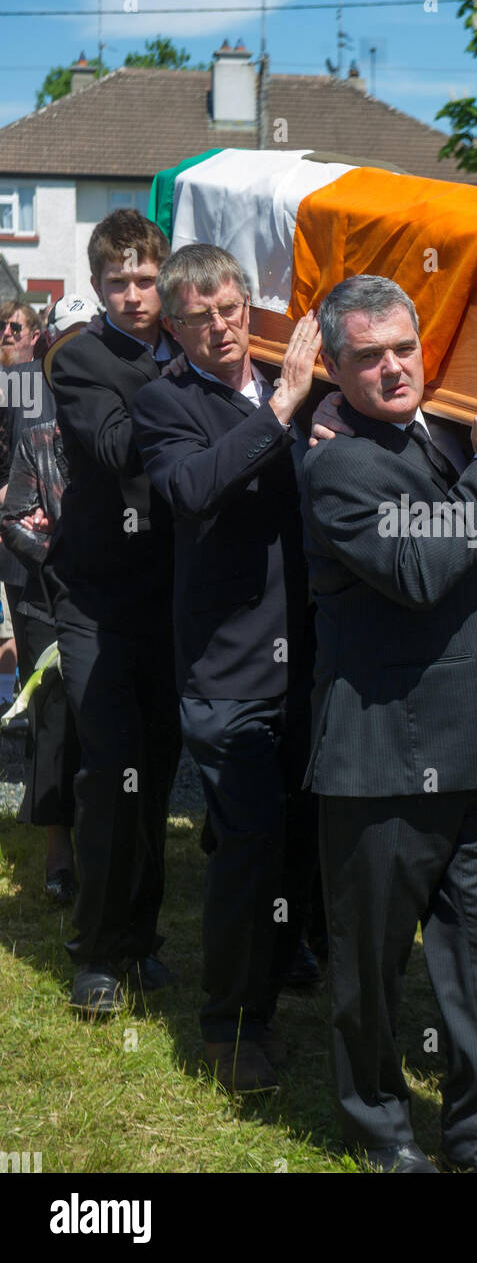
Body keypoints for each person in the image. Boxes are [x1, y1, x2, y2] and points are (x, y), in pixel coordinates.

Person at [302, 273, 477, 1173]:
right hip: (381, 757)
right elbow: (416, 564)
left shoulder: (446, 431)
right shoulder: (336, 463)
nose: (394, 367)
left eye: (404, 347)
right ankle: (380, 1132)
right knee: (369, 969)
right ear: (336, 367)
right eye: (367, 357)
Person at [131, 244, 318, 1094]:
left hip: (313, 660)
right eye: (200, 316)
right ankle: (227, 1026)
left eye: (232, 307)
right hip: (228, 668)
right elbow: (193, 488)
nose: (221, 326)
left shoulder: (295, 377)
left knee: (291, 846)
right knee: (246, 847)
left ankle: (267, 1000)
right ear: (173, 325)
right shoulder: (163, 400)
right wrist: (278, 409)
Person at [43, 209, 183, 1016]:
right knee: (109, 773)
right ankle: (95, 953)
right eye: (119, 282)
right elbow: (117, 448)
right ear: (96, 287)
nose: (135, 296)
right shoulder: (79, 360)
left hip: (172, 598)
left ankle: (141, 936)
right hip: (95, 599)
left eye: (145, 280)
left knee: (156, 772)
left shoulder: (190, 349)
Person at [0, 297, 95, 903]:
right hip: (36, 568)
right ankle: (59, 844)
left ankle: (104, 836)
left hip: (108, 580)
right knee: (53, 708)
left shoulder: (123, 389)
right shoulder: (20, 387)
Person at [0, 300, 43, 708]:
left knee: (25, 629)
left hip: (34, 528)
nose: (7, 333)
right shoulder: (9, 382)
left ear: (35, 335)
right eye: (2, 327)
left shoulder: (32, 381)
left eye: (16, 327)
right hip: (8, 522)